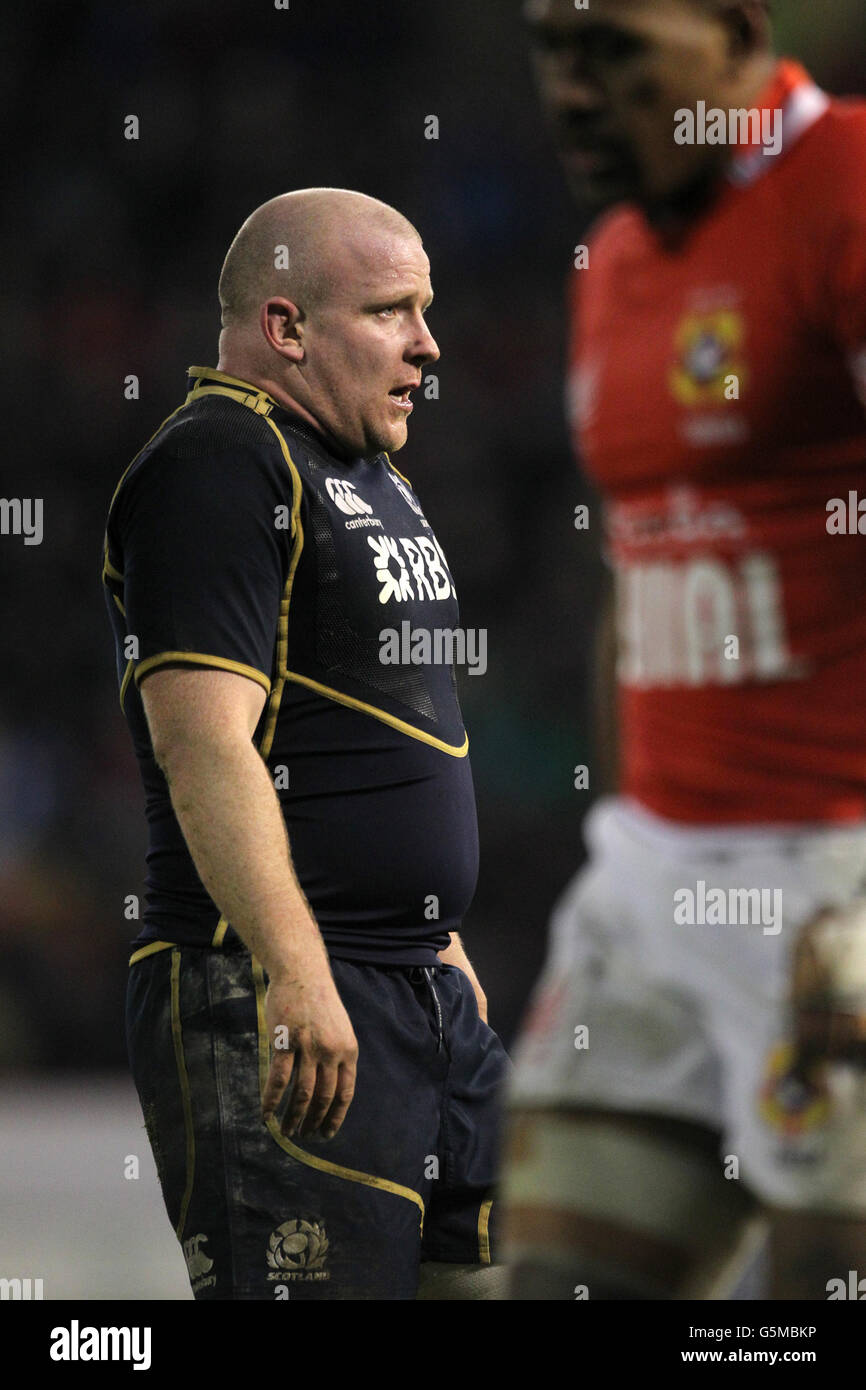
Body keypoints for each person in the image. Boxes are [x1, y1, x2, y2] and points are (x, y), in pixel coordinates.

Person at [502, 0, 866, 1299]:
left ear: (734, 28)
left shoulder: (848, 191)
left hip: (836, 875)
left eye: (610, 49)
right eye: (550, 49)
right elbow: (639, 567)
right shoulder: (608, 263)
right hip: (651, 875)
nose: (572, 89)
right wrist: (628, 824)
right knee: (551, 1278)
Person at [102, 188, 510, 1300]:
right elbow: (206, 747)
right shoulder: (218, 464)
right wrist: (295, 967)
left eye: (424, 310)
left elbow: (391, 728)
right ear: (285, 328)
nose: (428, 345)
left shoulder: (369, 470)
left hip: (418, 992)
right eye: (390, 312)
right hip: (279, 997)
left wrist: (440, 942)